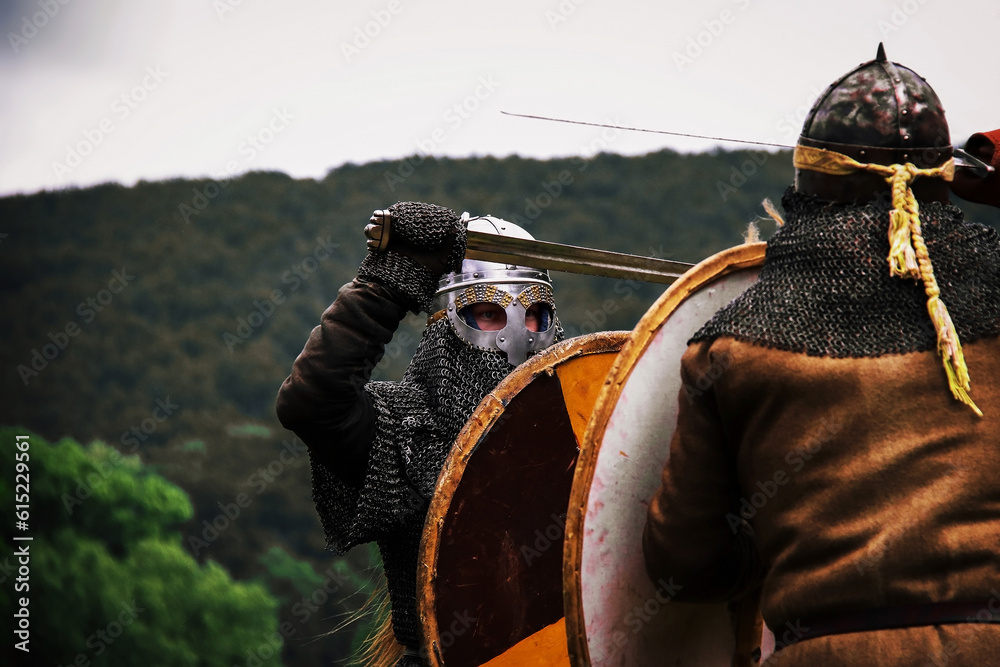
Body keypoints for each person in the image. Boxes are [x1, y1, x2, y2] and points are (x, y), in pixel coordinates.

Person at [642, 46, 1000, 665]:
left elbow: (688, 563)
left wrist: (777, 536)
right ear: (948, 181)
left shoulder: (734, 345)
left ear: (812, 183)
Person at [275, 202, 560, 667]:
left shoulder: (578, 424)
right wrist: (391, 280)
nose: (519, 334)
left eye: (536, 314)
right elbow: (312, 402)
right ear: (443, 326)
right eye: (488, 312)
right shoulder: (407, 426)